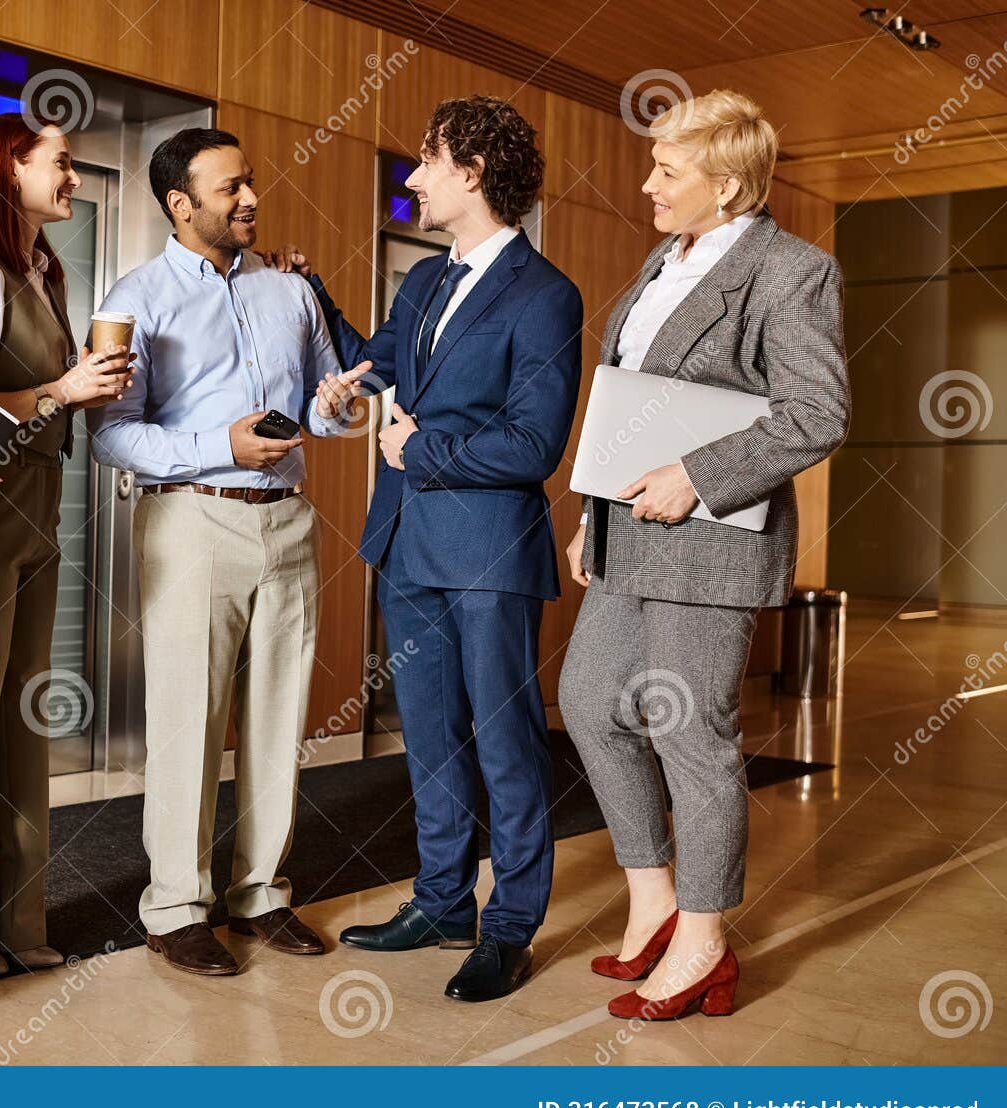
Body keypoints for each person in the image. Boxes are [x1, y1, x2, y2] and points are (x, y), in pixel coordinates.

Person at [274, 95, 582, 1001]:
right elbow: (378, 361)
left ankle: (510, 923)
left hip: (489, 550)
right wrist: (328, 344)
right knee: (432, 740)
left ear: (472, 173)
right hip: (408, 545)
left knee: (506, 740)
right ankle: (443, 900)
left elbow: (535, 446)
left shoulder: (545, 294)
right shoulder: (424, 281)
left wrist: (420, 451)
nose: (412, 178)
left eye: (426, 160)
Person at [557, 90, 849, 1021]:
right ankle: (653, 899)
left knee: (690, 731)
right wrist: (590, 513)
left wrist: (698, 475)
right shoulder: (662, 260)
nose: (647, 184)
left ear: (725, 187)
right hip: (628, 528)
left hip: (710, 537)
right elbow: (627, 395)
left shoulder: (792, 272)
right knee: (588, 706)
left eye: (666, 172)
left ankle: (705, 941)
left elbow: (817, 415)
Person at [87, 127, 358, 976]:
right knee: (188, 720)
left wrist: (342, 407)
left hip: (288, 520)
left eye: (250, 183)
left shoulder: (291, 289)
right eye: (230, 188)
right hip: (192, 521)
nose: (249, 199)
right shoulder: (134, 298)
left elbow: (322, 411)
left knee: (280, 718)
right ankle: (175, 906)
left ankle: (262, 893)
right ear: (181, 204)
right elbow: (110, 436)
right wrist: (219, 447)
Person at [0, 113, 132, 977]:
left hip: (41, 506)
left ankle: (22, 919)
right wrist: (60, 387)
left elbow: (42, 397)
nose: (73, 177)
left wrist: (86, 390)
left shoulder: (39, 273)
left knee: (24, 723)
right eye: (62, 163)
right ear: (9, 173)